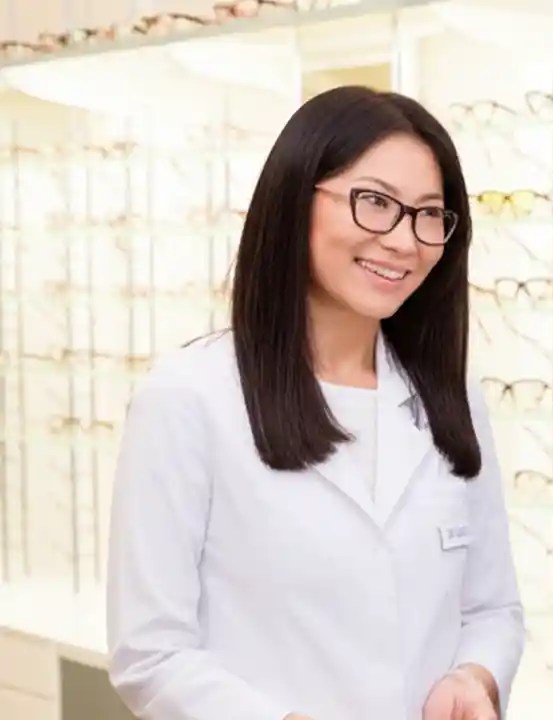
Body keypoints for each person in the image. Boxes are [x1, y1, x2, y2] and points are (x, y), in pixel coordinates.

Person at [106, 86, 524, 720]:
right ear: (295, 200)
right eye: (375, 203)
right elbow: (150, 652)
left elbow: (491, 608)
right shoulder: (188, 397)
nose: (405, 241)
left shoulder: (450, 395)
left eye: (429, 214)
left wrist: (474, 677)